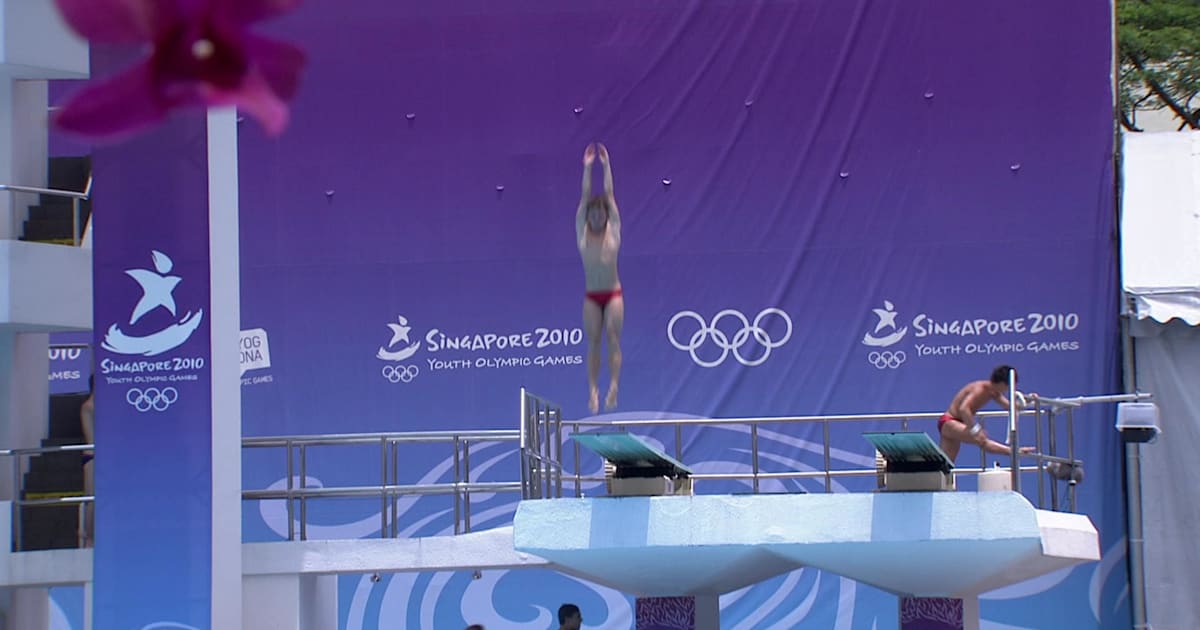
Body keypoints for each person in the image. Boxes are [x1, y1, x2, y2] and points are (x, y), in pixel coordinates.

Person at [577, 143, 624, 414]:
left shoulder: (613, 232)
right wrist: (587, 168)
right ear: (587, 217)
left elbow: (609, 195)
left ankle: (614, 387)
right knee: (594, 341)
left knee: (613, 338)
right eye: (592, 213)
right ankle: (593, 391)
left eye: (600, 212)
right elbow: (585, 198)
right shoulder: (582, 234)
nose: (596, 216)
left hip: (613, 294)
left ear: (606, 215)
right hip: (592, 297)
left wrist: (606, 167)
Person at [938, 365, 1036, 464]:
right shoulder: (980, 389)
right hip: (950, 421)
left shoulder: (993, 392)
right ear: (1003, 383)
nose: (1008, 390)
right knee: (981, 440)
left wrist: (1028, 401)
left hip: (956, 423)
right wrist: (976, 429)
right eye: (1009, 386)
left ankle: (1014, 451)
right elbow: (964, 409)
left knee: (946, 464)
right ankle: (1014, 451)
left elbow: (1010, 407)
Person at [80, 374, 95, 548]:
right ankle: (88, 535)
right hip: (92, 455)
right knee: (91, 496)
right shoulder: (88, 407)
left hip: (104, 456)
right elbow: (90, 436)